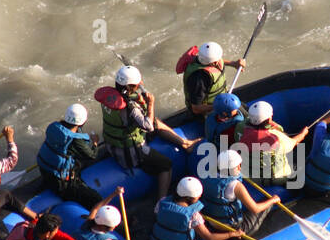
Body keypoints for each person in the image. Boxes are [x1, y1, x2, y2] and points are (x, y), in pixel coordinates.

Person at [98, 65, 195, 201]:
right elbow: (148, 127)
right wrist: (150, 104)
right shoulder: (131, 107)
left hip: (113, 144)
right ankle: (160, 202)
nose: (140, 84)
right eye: (137, 84)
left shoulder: (109, 98)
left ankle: (184, 143)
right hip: (131, 152)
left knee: (155, 120)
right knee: (166, 165)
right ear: (130, 86)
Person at [146, 176, 243, 240]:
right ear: (190, 198)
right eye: (198, 196)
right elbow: (209, 237)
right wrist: (232, 234)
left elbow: (158, 218)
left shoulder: (162, 202)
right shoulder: (194, 216)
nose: (199, 197)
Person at [35, 103, 106, 210]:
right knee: (97, 200)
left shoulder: (56, 127)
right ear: (82, 122)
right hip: (62, 184)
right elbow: (92, 155)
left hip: (45, 171)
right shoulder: (75, 140)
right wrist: (95, 142)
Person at [198, 149, 279, 236]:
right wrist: (273, 200)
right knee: (267, 200)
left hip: (211, 223)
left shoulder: (205, 176)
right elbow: (255, 209)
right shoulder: (236, 186)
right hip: (234, 227)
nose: (240, 168)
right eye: (237, 166)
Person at [235, 100, 308, 183]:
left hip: (250, 174)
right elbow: (294, 142)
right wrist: (303, 134)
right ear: (269, 118)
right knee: (299, 167)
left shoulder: (240, 127)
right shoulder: (275, 138)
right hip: (271, 178)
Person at [181, 41, 244, 115]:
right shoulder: (199, 80)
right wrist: (219, 106)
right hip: (206, 111)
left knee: (243, 110)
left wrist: (233, 63)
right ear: (213, 63)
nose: (220, 60)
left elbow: (218, 60)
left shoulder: (202, 59)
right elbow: (196, 108)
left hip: (220, 101)